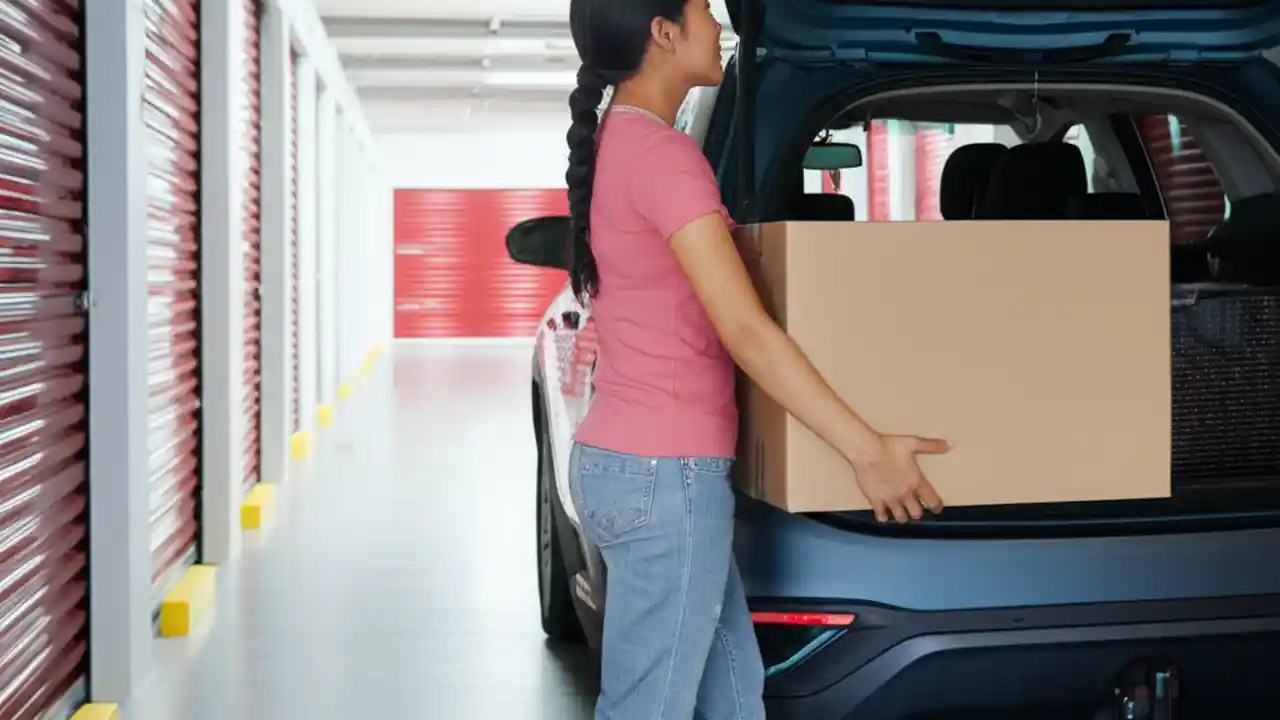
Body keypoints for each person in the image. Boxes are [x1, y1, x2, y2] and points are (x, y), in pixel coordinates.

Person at [564, 0, 950, 716]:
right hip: (665, 478)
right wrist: (866, 450)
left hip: (642, 466)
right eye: (705, 10)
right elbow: (745, 328)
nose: (720, 23)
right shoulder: (661, 155)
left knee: (734, 696)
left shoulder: (624, 141)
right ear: (663, 32)